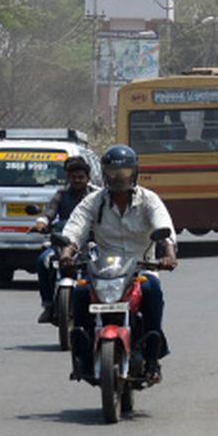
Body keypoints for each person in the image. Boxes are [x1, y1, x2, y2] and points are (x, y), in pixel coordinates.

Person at [59, 145, 177, 383]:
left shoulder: (148, 200)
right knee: (81, 291)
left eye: (123, 172)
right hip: (103, 270)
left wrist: (168, 253)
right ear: (104, 174)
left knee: (151, 290)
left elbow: (163, 228)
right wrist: (67, 252)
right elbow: (75, 228)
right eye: (113, 173)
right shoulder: (94, 201)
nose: (118, 178)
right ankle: (82, 356)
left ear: (134, 172)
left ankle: (153, 358)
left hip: (142, 267)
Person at [32, 156, 98, 323]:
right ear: (68, 178)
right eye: (74, 177)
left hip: (89, 244)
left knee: (100, 264)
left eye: (81, 177)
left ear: (88, 178)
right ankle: (48, 305)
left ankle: (99, 301)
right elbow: (49, 212)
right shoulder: (61, 194)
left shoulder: (96, 195)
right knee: (42, 261)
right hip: (62, 244)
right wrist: (41, 223)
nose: (77, 180)